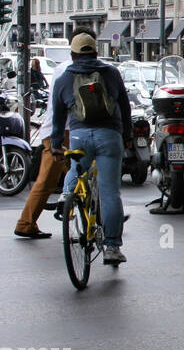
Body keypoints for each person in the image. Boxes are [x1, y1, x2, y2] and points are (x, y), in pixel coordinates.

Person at [50, 29, 133, 266]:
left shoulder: (64, 78)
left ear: (73, 55)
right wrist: (127, 136)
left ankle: (67, 198)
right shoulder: (111, 73)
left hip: (79, 137)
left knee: (76, 170)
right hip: (110, 136)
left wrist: (56, 145)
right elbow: (125, 108)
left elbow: (58, 117)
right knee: (109, 193)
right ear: (97, 51)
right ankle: (112, 247)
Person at [14, 58, 70, 239]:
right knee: (88, 174)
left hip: (54, 130)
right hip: (67, 131)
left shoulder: (62, 67)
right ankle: (105, 218)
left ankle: (26, 223)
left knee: (48, 180)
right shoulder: (79, 68)